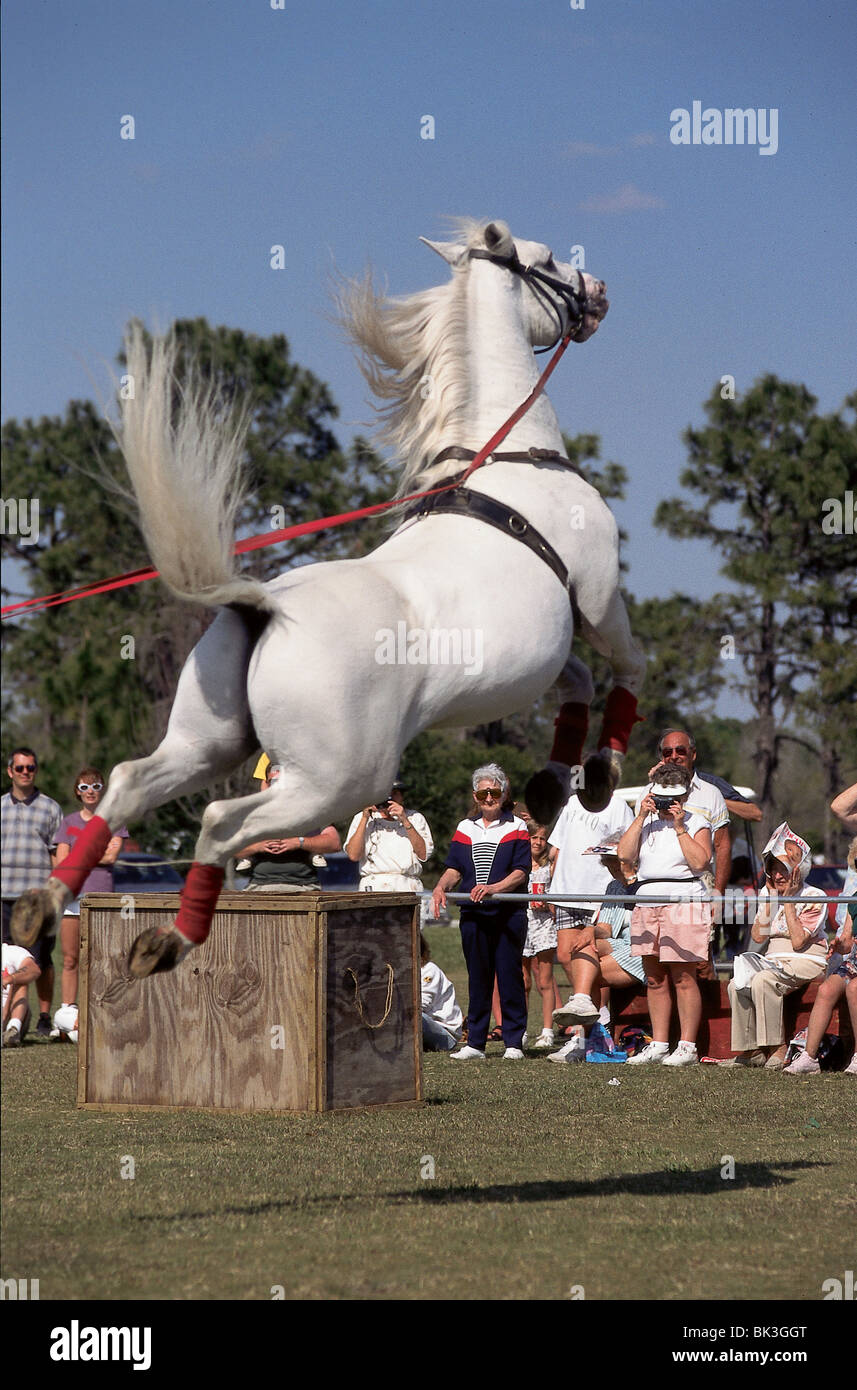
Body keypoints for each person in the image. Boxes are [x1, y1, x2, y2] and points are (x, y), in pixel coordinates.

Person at [432, 763, 531, 1061]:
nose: (489, 798)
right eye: (483, 793)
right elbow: (455, 868)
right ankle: (475, 1042)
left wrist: (494, 887)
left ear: (503, 793)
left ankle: (513, 1042)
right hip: (474, 914)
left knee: (509, 974)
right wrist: (440, 887)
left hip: (507, 913)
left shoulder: (518, 827)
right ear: (475, 796)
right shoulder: (465, 828)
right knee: (478, 976)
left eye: (495, 792)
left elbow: (520, 873)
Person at [618, 761, 713, 1066]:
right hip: (647, 899)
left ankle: (687, 1045)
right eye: (662, 798)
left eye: (673, 799)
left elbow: (700, 863)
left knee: (683, 975)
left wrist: (680, 826)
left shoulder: (698, 822)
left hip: (684, 899)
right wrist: (641, 814)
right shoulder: (644, 822)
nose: (667, 805)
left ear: (684, 797)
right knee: (654, 977)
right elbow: (625, 856)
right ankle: (659, 1042)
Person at [547, 752, 633, 1060]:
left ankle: (597, 1026)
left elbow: (624, 848)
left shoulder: (619, 805)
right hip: (565, 890)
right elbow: (557, 848)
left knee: (589, 954)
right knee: (564, 955)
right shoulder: (572, 802)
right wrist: (551, 885)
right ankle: (588, 1024)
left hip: (597, 891)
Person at [727, 823, 828, 1069]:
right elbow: (759, 936)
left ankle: (777, 1047)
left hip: (806, 960)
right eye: (774, 869)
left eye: (784, 869)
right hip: (773, 961)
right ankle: (751, 1051)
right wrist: (772, 902)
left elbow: (798, 941)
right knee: (737, 982)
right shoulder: (767, 893)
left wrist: (790, 901)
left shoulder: (815, 896)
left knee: (763, 981)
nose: (778, 875)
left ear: (798, 869)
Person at [549, 832, 646, 1060]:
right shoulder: (614, 887)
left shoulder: (646, 881)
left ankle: (587, 1035)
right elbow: (606, 929)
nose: (613, 868)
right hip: (620, 944)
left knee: (590, 971)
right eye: (609, 863)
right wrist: (590, 930)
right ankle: (583, 1004)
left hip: (644, 948)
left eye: (616, 862)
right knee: (584, 944)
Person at [53, 767, 128, 1033]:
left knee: (100, 958)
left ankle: (101, 1010)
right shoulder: (68, 822)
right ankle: (66, 1015)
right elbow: (62, 861)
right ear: (77, 791)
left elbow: (110, 858)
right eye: (84, 787)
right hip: (72, 899)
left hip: (102, 898)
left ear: (102, 790)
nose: (90, 792)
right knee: (71, 958)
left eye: (95, 786)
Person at [1, 748, 63, 1037]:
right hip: (4, 898)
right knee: (7, 963)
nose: (26, 772)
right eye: (21, 768)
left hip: (37, 902)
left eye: (31, 768)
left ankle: (44, 1017)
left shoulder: (50, 808)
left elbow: (57, 857)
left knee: (39, 961)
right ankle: (12, 1020)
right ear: (10, 771)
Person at [785, 838, 857, 1076]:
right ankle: (809, 1057)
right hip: (855, 961)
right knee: (826, 989)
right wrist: (839, 945)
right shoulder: (854, 900)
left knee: (854, 989)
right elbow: (847, 940)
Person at [238, 762, 340, 890]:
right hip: (259, 886)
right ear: (267, 784)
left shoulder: (314, 808)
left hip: (303, 887)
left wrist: (299, 842)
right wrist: (259, 846)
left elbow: (334, 842)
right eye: (273, 781)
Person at [345, 780, 433, 916]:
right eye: (385, 794)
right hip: (374, 886)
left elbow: (424, 854)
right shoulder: (362, 819)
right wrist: (364, 819)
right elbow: (353, 855)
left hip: (407, 885)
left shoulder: (415, 818)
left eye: (395, 793)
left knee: (410, 935)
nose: (389, 798)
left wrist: (404, 820)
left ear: (402, 797)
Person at [522, 823, 561, 1050]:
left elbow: (556, 893)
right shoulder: (517, 864)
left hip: (544, 922)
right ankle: (521, 1030)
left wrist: (547, 901)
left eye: (541, 838)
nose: (537, 842)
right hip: (523, 920)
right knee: (523, 981)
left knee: (545, 979)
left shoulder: (550, 866)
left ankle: (547, 1030)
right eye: (533, 837)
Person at [420, 934, 463, 1052]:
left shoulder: (428, 969)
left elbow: (421, 1004)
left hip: (446, 1035)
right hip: (429, 1028)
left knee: (416, 1016)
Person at [2, 940, 41, 1047]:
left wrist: (11, 978)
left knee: (21, 979)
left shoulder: (11, 951)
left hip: (13, 1009)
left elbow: (33, 969)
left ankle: (13, 1030)